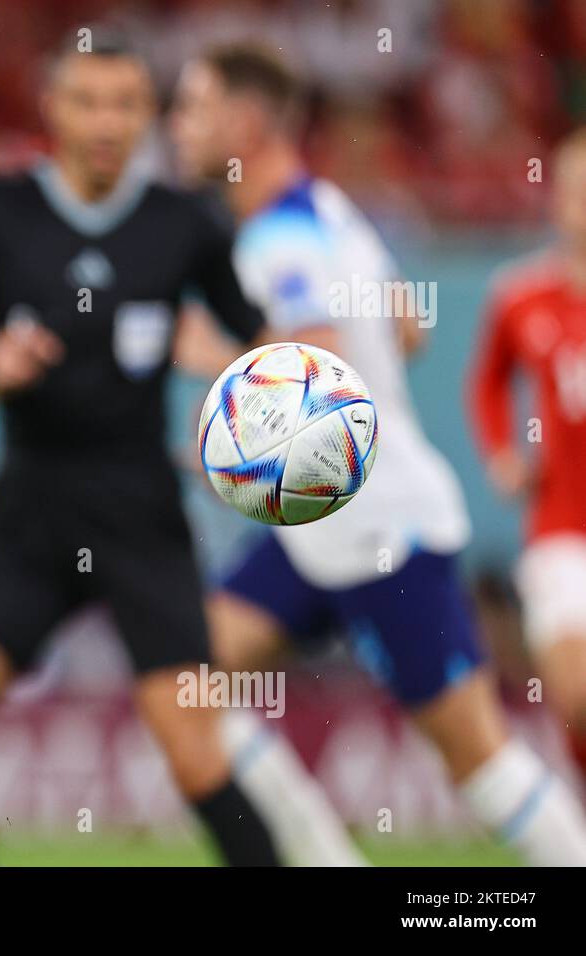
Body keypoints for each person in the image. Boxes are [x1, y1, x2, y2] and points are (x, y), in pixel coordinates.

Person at [0, 35, 302, 867]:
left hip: (142, 517)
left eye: (125, 103)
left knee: (197, 758)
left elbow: (273, 358)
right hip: (31, 517)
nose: (106, 121)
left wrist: (238, 412)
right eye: (87, 101)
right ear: (54, 109)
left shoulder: (184, 223)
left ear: (148, 115)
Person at [171, 42, 586, 864]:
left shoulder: (282, 244)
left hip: (379, 531)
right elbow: (408, 328)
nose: (175, 127)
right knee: (190, 679)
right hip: (322, 527)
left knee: (480, 760)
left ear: (245, 122)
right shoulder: (328, 212)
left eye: (191, 106)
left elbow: (318, 371)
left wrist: (211, 379)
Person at [470, 127, 586, 784]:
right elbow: (487, 382)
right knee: (575, 694)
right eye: (577, 191)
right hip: (561, 522)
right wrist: (502, 454)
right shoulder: (522, 295)